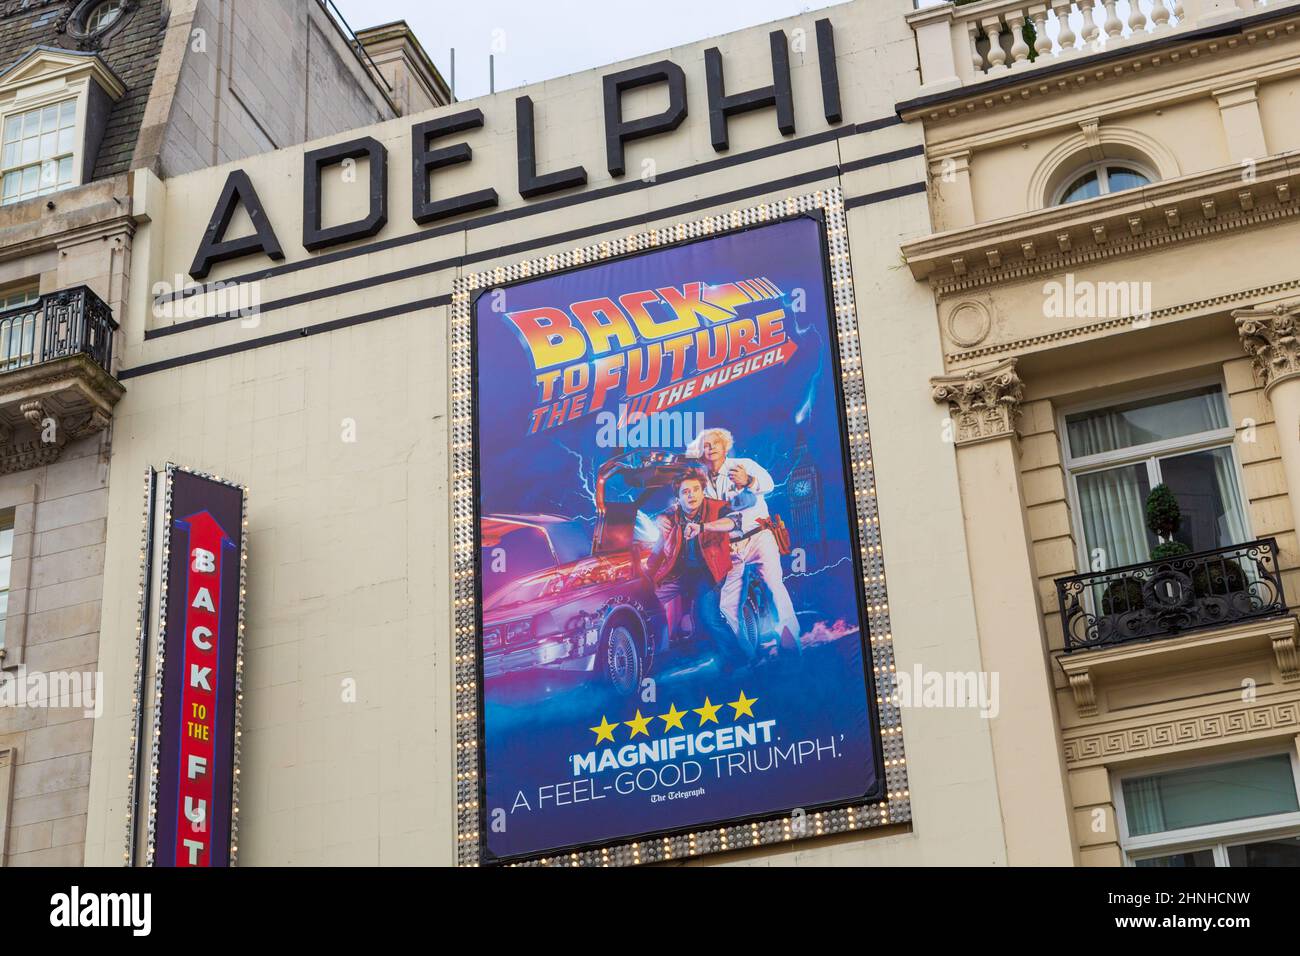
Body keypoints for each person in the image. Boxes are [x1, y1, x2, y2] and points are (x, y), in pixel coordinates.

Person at [689, 427, 801, 654]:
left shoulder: (743, 464)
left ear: (725, 447)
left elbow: (768, 483)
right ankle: (746, 653)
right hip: (730, 547)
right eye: (706, 445)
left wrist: (748, 480)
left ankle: (791, 643)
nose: (710, 449)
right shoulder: (700, 481)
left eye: (714, 444)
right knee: (727, 605)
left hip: (759, 537)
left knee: (773, 587)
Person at [646, 473, 747, 668]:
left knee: (708, 616)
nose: (691, 495)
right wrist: (647, 574)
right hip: (681, 574)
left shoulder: (717, 508)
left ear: (702, 492)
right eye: (685, 492)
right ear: (678, 498)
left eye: (696, 490)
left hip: (709, 572)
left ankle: (738, 661)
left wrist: (702, 527)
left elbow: (733, 522)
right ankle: (659, 657)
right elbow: (659, 547)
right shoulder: (672, 516)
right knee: (648, 601)